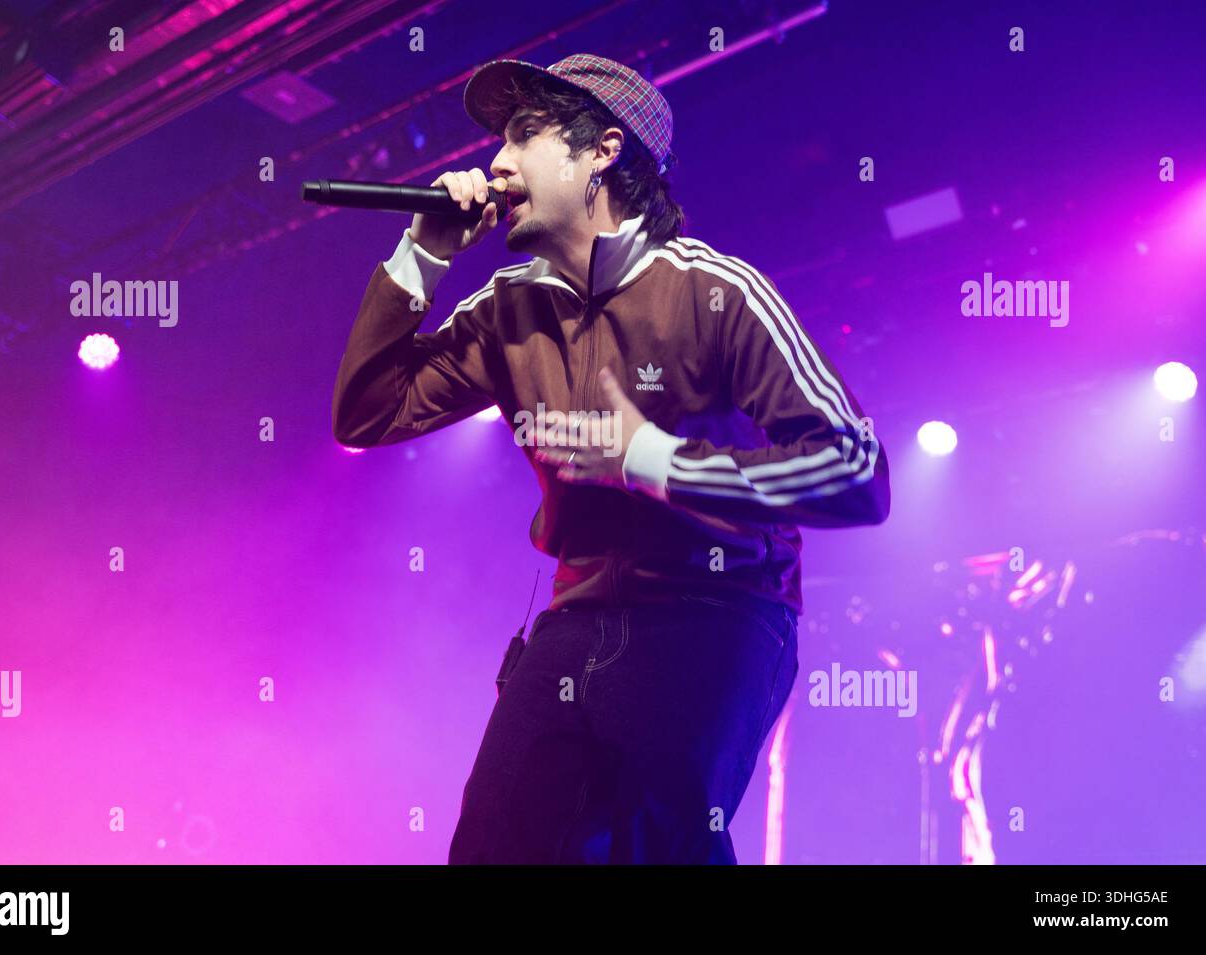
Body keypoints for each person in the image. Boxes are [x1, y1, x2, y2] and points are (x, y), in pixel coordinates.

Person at [332, 54, 891, 864]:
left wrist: (653, 457)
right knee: (492, 847)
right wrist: (422, 253)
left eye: (524, 135)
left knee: (659, 844)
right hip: (578, 616)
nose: (496, 161)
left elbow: (855, 470)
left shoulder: (717, 291)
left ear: (603, 151)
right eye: (498, 140)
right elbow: (367, 412)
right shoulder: (508, 306)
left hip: (718, 608)